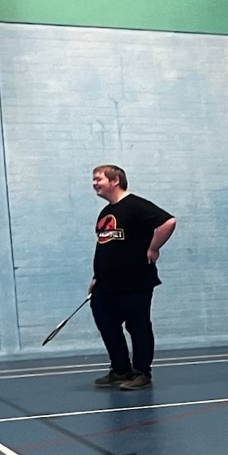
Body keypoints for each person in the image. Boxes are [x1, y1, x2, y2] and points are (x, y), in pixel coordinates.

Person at [88, 165, 175, 390]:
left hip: (135, 281)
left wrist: (153, 248)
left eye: (99, 179)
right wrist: (96, 277)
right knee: (107, 324)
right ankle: (120, 369)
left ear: (115, 180)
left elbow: (168, 222)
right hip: (106, 283)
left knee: (138, 326)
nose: (94, 183)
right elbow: (105, 247)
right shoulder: (106, 212)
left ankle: (141, 372)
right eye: (94, 180)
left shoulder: (135, 205)